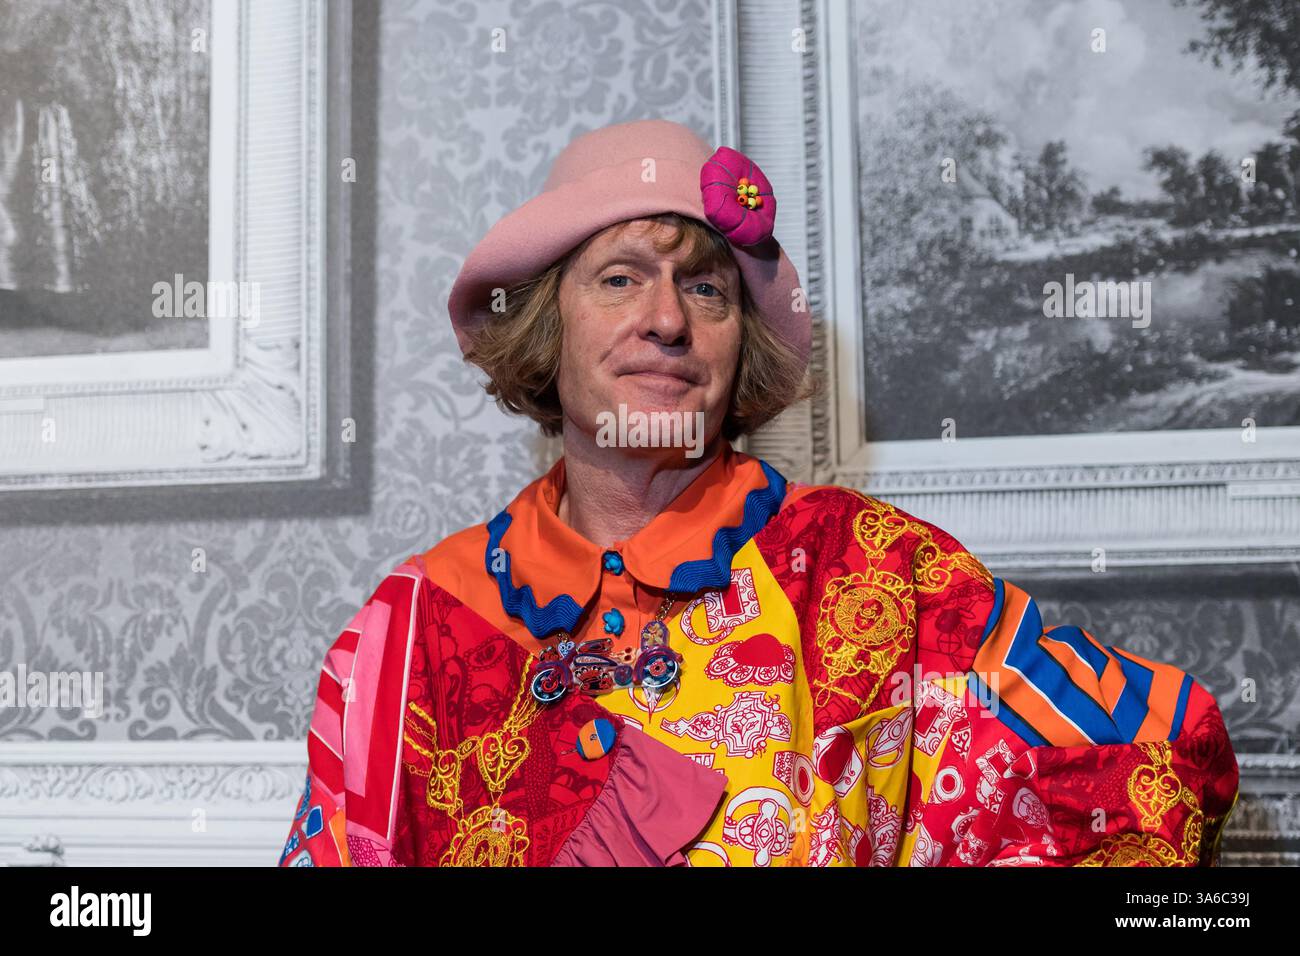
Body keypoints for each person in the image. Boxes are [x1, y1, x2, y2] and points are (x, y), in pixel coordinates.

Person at [278, 119, 1239, 867]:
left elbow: (1155, 761)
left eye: (706, 290)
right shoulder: (409, 631)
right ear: (544, 330)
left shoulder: (883, 574)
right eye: (620, 279)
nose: (666, 320)